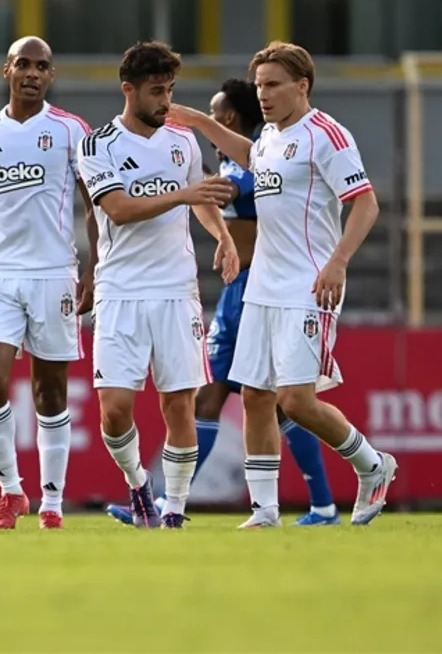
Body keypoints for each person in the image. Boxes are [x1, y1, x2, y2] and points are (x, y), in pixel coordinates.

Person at [167, 41, 397, 528]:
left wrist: (338, 262)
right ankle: (265, 509)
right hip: (262, 287)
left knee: (295, 400)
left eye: (273, 84)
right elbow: (251, 155)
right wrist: (200, 121)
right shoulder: (270, 138)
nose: (264, 94)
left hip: (309, 285)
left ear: (302, 85)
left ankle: (372, 466)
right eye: (259, 86)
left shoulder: (327, 135)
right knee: (255, 395)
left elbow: (366, 203)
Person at [105, 78, 340, 527]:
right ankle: (321, 504)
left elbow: (231, 187)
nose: (211, 120)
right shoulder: (248, 159)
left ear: (229, 118)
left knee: (265, 401)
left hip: (261, 290)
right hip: (239, 292)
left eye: (215, 113)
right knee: (248, 402)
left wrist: (190, 186)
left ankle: (163, 500)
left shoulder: (258, 161)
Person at [76, 40, 241, 530]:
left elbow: (202, 201)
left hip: (175, 289)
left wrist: (225, 236)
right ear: (128, 90)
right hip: (120, 290)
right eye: (155, 91)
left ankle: (174, 508)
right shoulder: (98, 144)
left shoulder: (181, 140)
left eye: (169, 90)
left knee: (179, 404)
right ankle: (138, 487)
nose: (165, 101)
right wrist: (183, 193)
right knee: (114, 410)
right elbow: (121, 210)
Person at [0, 36, 98, 530]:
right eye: (24, 65)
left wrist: (96, 267)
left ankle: (53, 502)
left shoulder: (72, 131)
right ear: (7, 70)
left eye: (42, 66)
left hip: (54, 273)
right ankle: (11, 492)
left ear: (51, 76)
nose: (33, 73)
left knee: (50, 392)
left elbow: (95, 204)